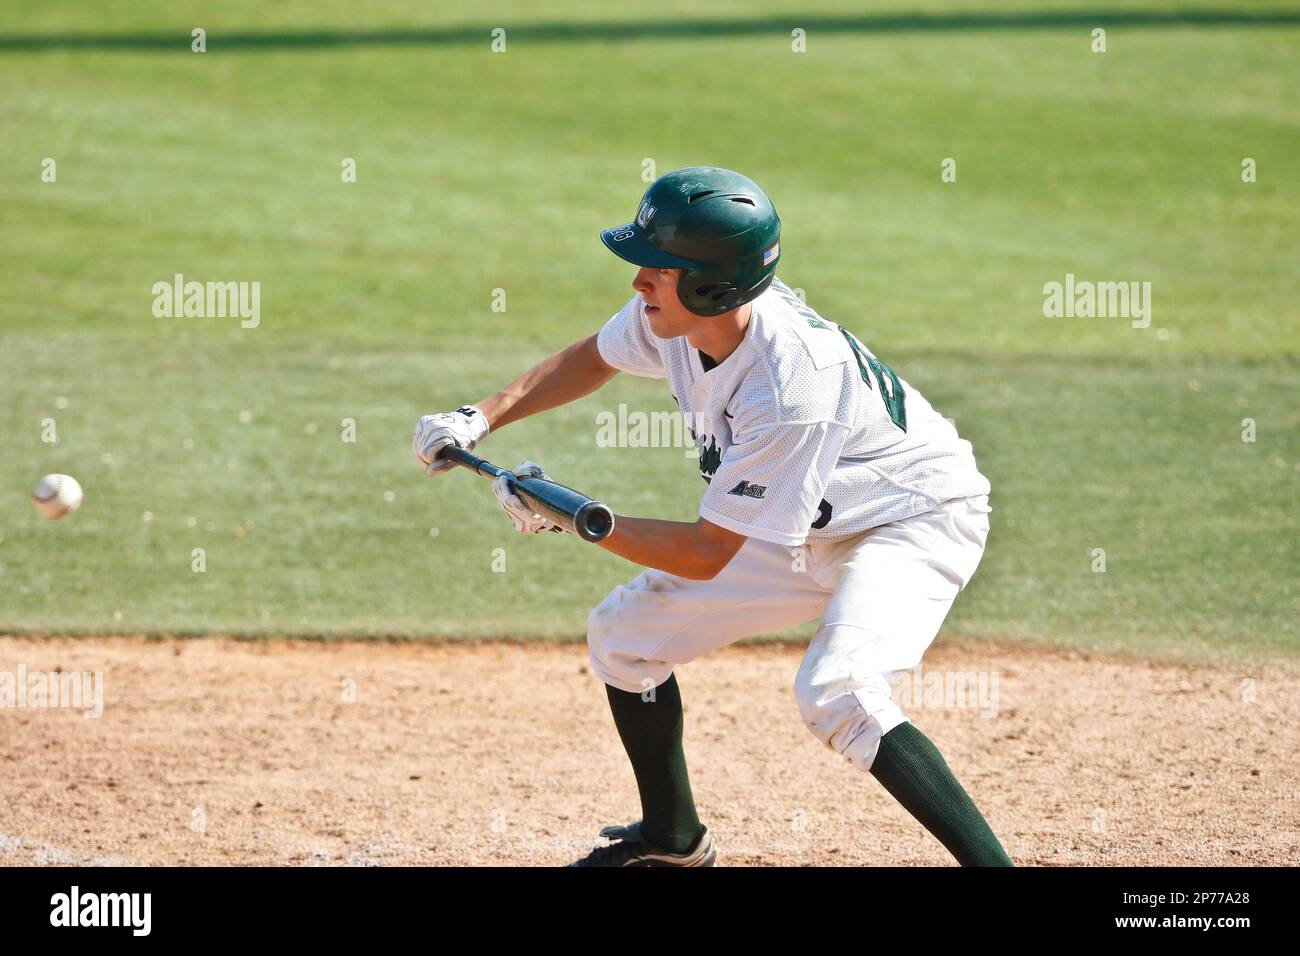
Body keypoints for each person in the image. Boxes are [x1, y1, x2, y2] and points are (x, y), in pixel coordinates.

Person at [413, 166, 1013, 867]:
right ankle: (673, 841)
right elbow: (592, 359)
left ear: (711, 286)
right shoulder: (676, 322)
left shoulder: (791, 387)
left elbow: (708, 553)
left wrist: (574, 518)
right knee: (624, 636)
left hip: (908, 519)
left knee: (838, 692)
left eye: (657, 269)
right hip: (805, 519)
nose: (638, 282)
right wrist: (478, 417)